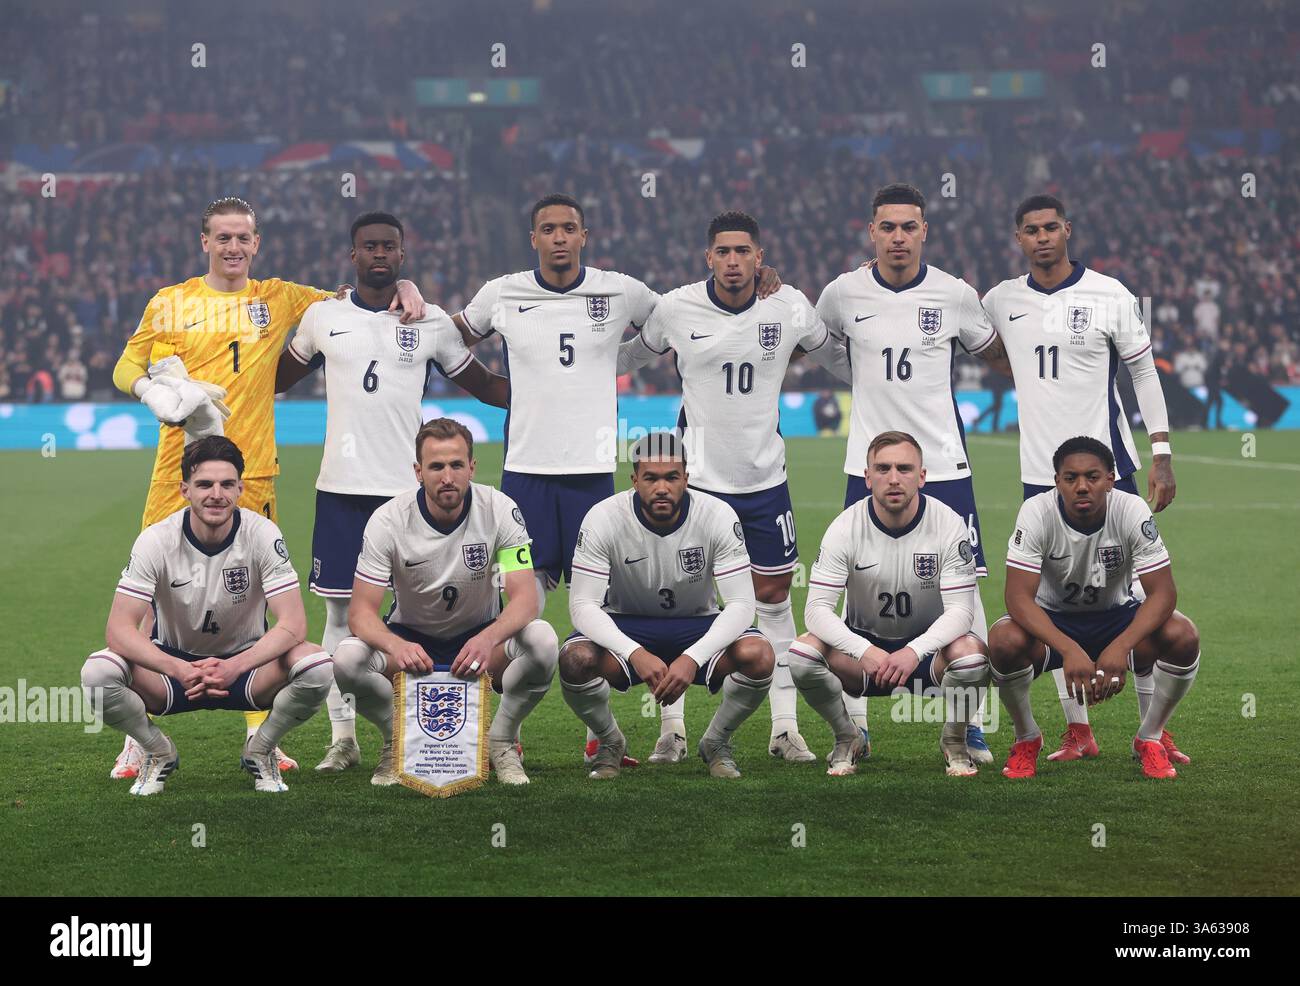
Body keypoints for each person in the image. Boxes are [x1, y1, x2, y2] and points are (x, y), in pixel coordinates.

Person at [451, 193, 781, 768]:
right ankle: (502, 736)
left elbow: (684, 314)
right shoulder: (501, 292)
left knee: (600, 605)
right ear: (533, 238)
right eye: (547, 229)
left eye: (569, 228)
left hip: (592, 484)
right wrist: (495, 390)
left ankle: (604, 737)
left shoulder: (621, 290)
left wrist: (757, 284)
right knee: (506, 609)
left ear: (585, 235)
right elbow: (449, 336)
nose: (559, 237)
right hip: (521, 483)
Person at [107, 196, 427, 778]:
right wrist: (152, 393)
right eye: (222, 237)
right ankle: (138, 736)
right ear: (204, 241)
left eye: (243, 238)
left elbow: (353, 300)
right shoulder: (170, 302)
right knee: (153, 595)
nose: (233, 247)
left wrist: (406, 287)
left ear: (256, 245)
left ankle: (260, 725)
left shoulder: (277, 299)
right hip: (178, 470)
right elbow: (124, 366)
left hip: (252, 471)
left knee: (256, 598)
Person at [274, 211, 508, 773]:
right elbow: (273, 380)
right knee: (338, 618)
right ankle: (344, 738)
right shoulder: (322, 317)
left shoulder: (430, 323)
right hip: (341, 489)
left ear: (402, 255)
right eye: (368, 246)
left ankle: (423, 734)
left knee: (410, 617)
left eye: (389, 246)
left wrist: (551, 393)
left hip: (412, 499)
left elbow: (483, 386)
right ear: (352, 256)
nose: (379, 253)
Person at [617, 211, 849, 764]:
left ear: (759, 257)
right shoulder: (675, 308)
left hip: (764, 483)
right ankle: (670, 729)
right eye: (722, 251)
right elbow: (627, 357)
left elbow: (837, 355)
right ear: (708, 258)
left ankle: (784, 729)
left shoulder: (789, 305)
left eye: (743, 250)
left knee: (772, 602)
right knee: (678, 599)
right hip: (691, 485)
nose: (732, 260)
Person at [815, 183, 1010, 762]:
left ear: (924, 231)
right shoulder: (843, 292)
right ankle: (856, 726)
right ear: (871, 232)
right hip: (866, 467)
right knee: (858, 586)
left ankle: (966, 723)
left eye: (909, 227)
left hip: (944, 464)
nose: (898, 237)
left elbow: (990, 348)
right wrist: (854, 373)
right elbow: (820, 343)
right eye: (888, 227)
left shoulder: (953, 293)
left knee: (965, 588)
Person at [982, 194, 1180, 762]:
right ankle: (1078, 730)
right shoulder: (1001, 299)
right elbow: (971, 336)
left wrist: (1160, 452)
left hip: (1107, 463)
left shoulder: (1110, 293)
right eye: (1030, 230)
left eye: (1051, 227)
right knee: (1053, 599)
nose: (1042, 237)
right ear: (1018, 239)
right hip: (1039, 475)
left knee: (1132, 592)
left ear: (1067, 230)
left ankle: (1151, 732)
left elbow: (1142, 370)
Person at [79, 437, 333, 795]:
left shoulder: (263, 534)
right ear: (184, 489)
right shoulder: (156, 540)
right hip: (173, 673)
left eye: (227, 484)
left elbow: (293, 625)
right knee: (97, 673)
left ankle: (260, 750)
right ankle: (156, 749)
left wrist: (234, 666)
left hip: (247, 671)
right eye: (204, 484)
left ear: (241, 488)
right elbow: (119, 630)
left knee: (317, 665)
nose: (217, 494)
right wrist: (179, 668)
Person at [332, 418, 557, 786]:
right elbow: (360, 613)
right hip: (411, 642)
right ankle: (396, 743)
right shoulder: (387, 521)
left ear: (472, 466)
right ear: (418, 472)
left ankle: (500, 741)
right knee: (347, 658)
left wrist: (489, 638)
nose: (447, 477)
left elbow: (526, 599)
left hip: (481, 642)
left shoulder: (500, 509)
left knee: (543, 640)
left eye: (456, 465)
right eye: (436, 466)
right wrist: (395, 644)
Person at [558, 431, 774, 779]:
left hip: (696, 623)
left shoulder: (717, 515)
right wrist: (634, 653)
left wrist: (692, 658)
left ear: (686, 478)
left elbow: (741, 604)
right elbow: (583, 604)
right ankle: (610, 741)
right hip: (627, 622)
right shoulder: (603, 517)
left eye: (672, 477)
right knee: (574, 660)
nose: (662, 487)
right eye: (651, 478)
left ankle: (716, 741)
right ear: (634, 480)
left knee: (759, 655)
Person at [989, 437, 1200, 779]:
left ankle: (1150, 737)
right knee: (1002, 641)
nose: (1082, 486)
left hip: (1117, 617)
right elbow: (1017, 598)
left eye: (1092, 476)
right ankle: (1027, 737)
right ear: (1057, 482)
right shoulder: (1036, 512)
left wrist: (1120, 646)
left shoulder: (1131, 510)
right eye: (1070, 478)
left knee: (1183, 635)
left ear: (1111, 479)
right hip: (1054, 622)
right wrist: (1069, 649)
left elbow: (1162, 593)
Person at [787, 432, 989, 777]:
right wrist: (865, 650)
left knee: (973, 655)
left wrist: (914, 651)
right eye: (883, 468)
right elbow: (816, 610)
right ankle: (847, 736)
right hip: (863, 661)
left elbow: (962, 611)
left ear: (922, 476)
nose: (894, 478)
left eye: (904, 468)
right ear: (867, 477)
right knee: (802, 653)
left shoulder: (949, 524)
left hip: (927, 660)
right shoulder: (844, 528)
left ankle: (955, 739)